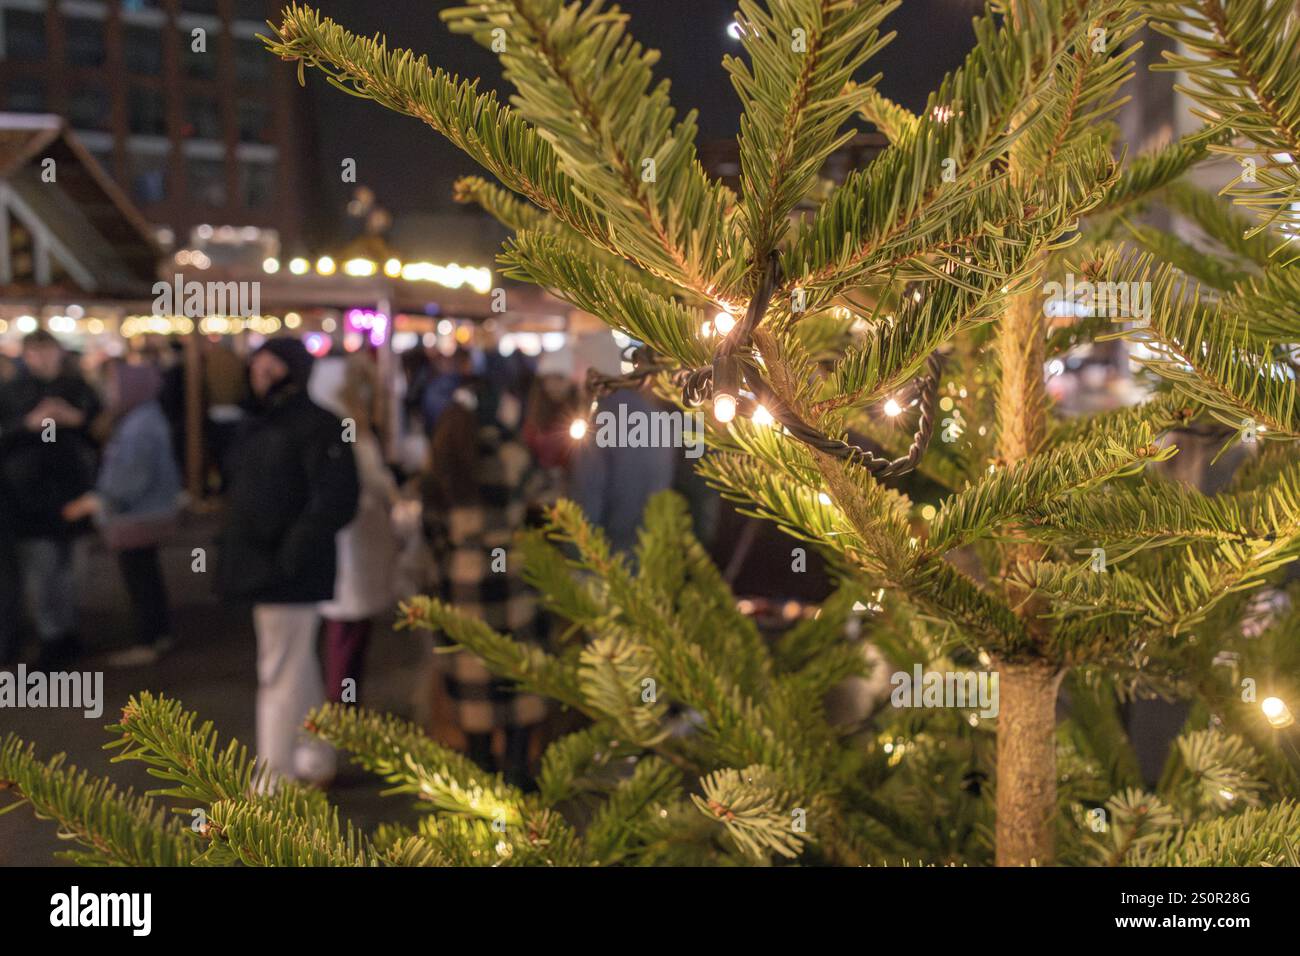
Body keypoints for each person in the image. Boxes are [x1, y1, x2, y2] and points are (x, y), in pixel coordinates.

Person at [216, 338, 359, 787]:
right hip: (268, 566)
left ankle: (273, 782)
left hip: (288, 571)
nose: (262, 374)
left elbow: (335, 498)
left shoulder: (315, 425)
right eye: (258, 365)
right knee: (296, 665)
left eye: (273, 366)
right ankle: (314, 755)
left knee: (280, 670)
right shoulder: (258, 423)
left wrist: (291, 554)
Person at [422, 379, 545, 788]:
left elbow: (432, 532)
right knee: (516, 677)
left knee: (473, 686)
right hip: (511, 575)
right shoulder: (513, 453)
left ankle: (479, 779)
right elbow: (543, 502)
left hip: (463, 581)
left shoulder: (445, 458)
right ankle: (518, 774)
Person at [62, 360, 183, 666]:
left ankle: (148, 640)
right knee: (146, 577)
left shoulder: (139, 424)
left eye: (114, 385)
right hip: (147, 510)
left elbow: (131, 475)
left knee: (140, 579)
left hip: (137, 515)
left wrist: (100, 499)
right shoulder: (145, 417)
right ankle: (157, 635)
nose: (109, 391)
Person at [0, 330, 101, 669]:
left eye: (47, 351)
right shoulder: (11, 392)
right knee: (42, 569)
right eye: (35, 352)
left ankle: (67, 631)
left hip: (72, 490)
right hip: (28, 497)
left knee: (72, 569)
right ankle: (51, 636)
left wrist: (77, 420)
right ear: (26, 355)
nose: (42, 358)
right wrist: (26, 425)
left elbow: (101, 432)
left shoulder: (79, 389)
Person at [309, 353, 399, 704]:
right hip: (352, 546)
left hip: (361, 545)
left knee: (354, 630)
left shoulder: (348, 430)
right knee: (345, 633)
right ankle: (341, 709)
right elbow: (366, 483)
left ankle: (347, 704)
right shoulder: (341, 435)